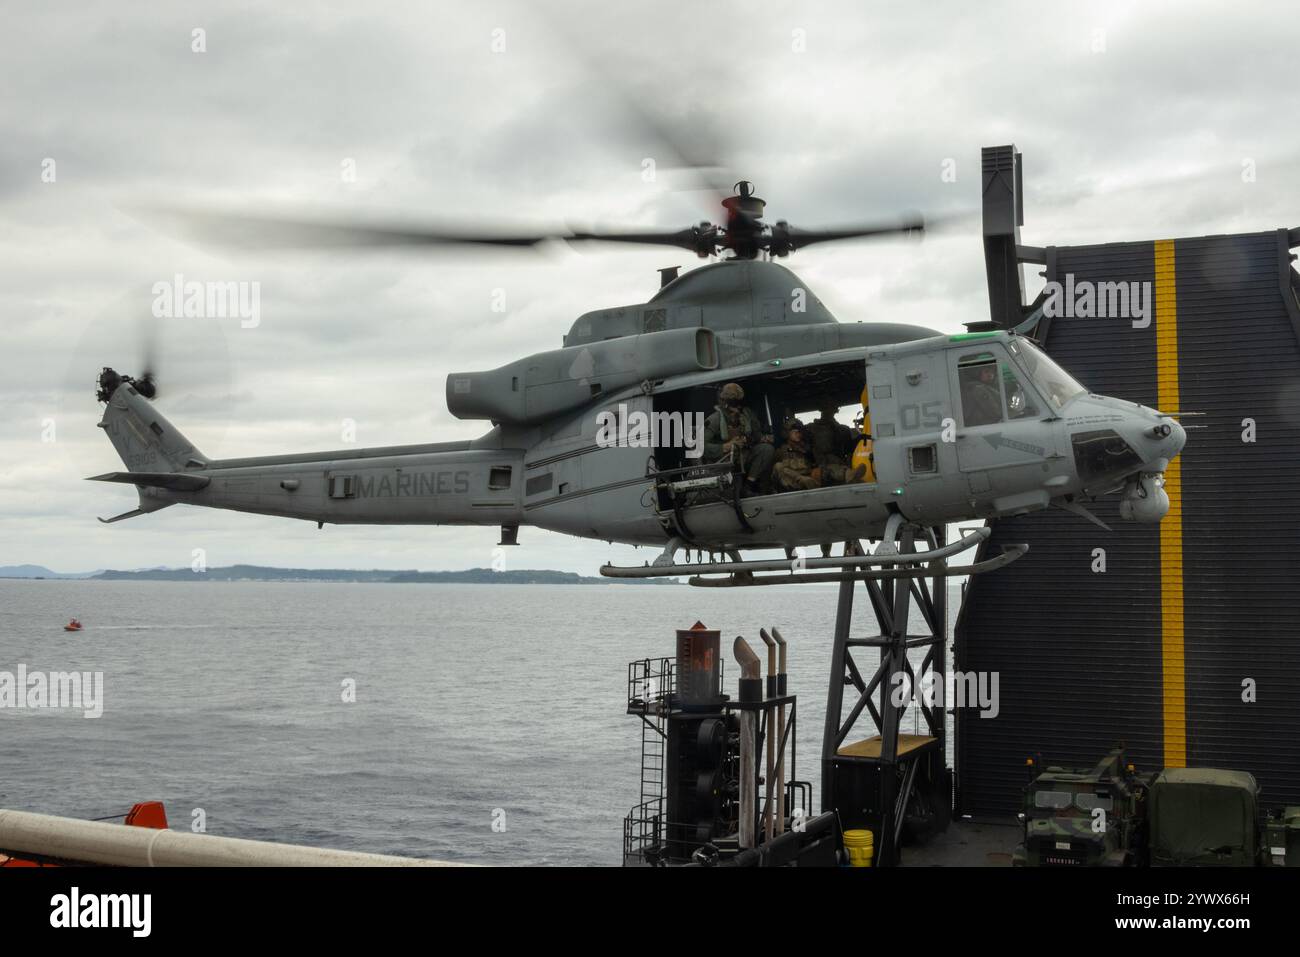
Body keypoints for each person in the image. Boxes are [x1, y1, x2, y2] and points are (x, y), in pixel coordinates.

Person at [703, 382, 775, 495]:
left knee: (766, 449)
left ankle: (748, 486)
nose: (737, 408)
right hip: (723, 462)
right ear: (724, 403)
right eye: (733, 403)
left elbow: (757, 436)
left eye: (738, 403)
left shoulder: (747, 415)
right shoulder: (714, 420)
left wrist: (763, 438)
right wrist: (725, 447)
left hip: (744, 457)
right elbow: (699, 447)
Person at [808, 395, 857, 484]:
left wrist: (849, 466)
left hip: (837, 464)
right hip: (819, 465)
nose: (828, 410)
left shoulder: (843, 429)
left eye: (830, 407)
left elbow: (849, 452)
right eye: (826, 407)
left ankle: (849, 473)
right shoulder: (810, 428)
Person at [772, 418, 822, 491]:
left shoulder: (807, 448)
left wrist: (807, 453)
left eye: (800, 432)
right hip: (789, 485)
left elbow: (818, 465)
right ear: (787, 433)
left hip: (808, 484)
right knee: (778, 466)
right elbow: (774, 473)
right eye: (795, 432)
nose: (798, 434)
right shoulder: (781, 451)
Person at [961, 362, 1004, 426]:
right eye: (986, 372)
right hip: (984, 426)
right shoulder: (978, 389)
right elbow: (995, 412)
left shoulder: (986, 388)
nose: (990, 375)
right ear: (979, 374)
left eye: (992, 372)